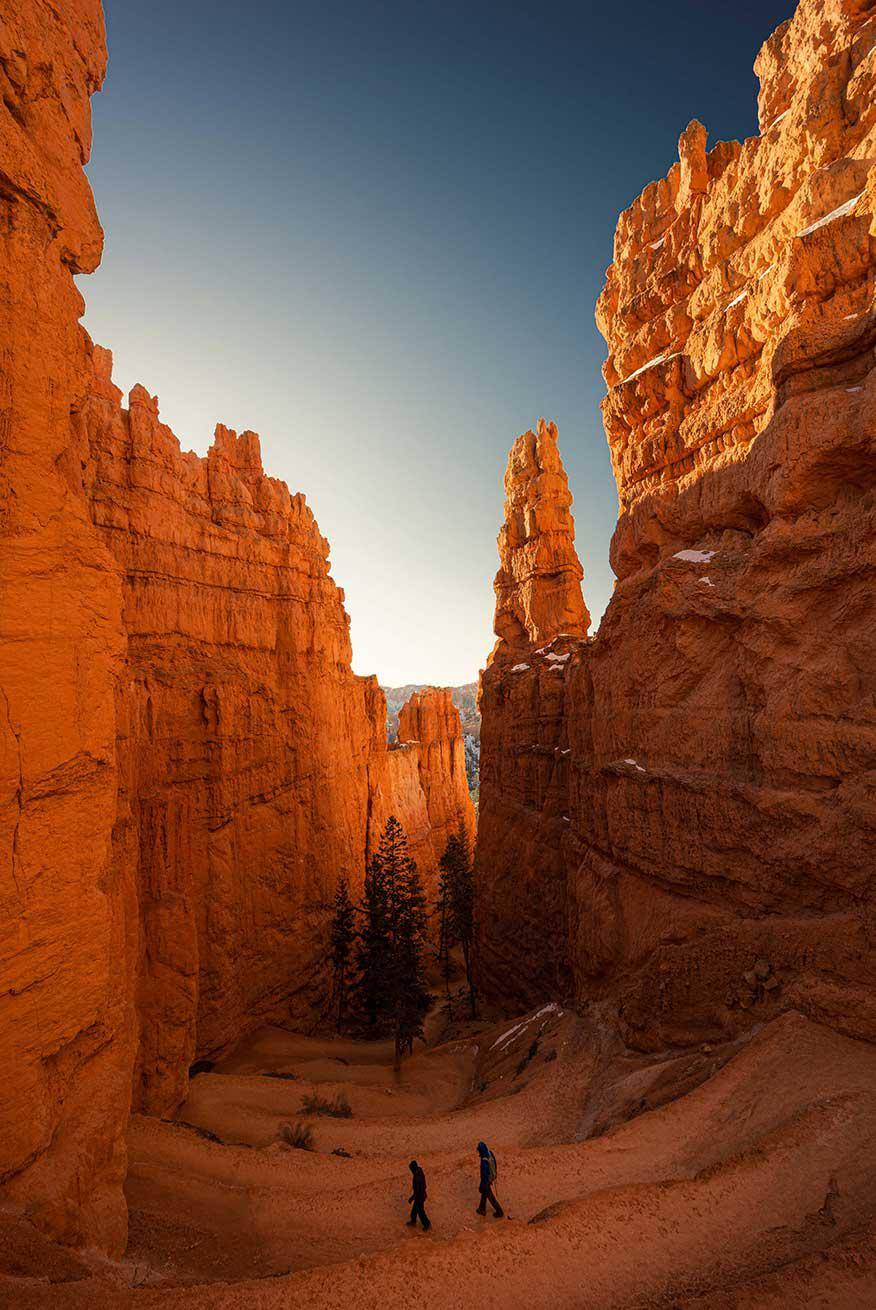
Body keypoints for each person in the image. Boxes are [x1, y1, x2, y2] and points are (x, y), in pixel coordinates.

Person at [476, 1140, 503, 1217]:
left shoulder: (484, 1161)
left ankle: (499, 1212)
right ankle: (482, 1209)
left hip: (486, 1181)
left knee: (491, 1197)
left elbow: (483, 1175)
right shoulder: (490, 1153)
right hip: (491, 1177)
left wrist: (481, 1185)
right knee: (484, 1194)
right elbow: (495, 1164)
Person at [407, 1159, 431, 1230]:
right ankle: (413, 1221)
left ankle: (427, 1224)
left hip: (420, 1197)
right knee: (415, 1210)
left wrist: (412, 1198)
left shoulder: (417, 1177)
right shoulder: (419, 1171)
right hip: (421, 1195)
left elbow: (417, 1191)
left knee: (420, 1211)